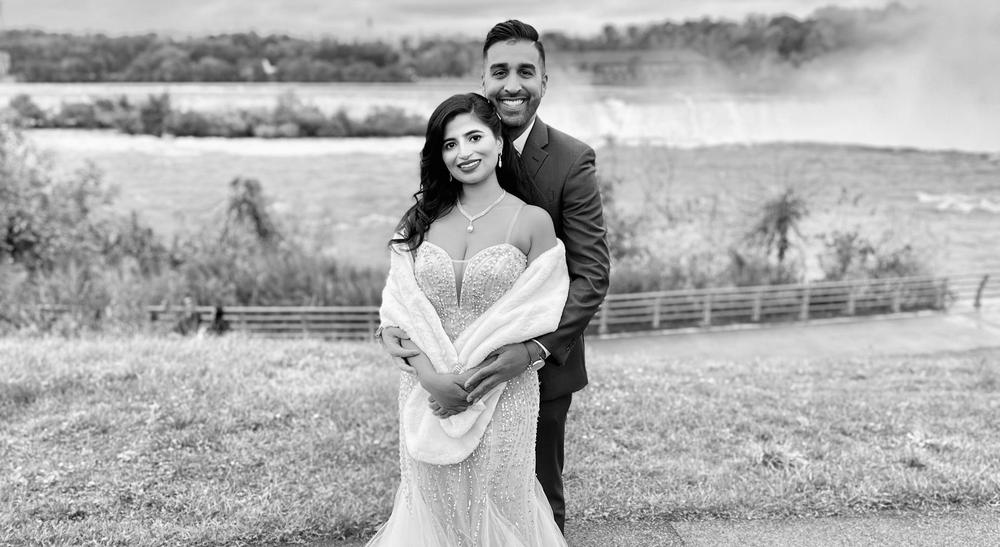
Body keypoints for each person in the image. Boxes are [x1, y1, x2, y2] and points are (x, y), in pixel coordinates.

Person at [379, 20, 611, 532]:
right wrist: (416, 355)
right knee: (444, 507)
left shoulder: (571, 160)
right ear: (483, 79)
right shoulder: (454, 165)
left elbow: (591, 275)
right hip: (441, 374)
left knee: (534, 503)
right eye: (499, 72)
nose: (512, 85)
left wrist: (532, 350)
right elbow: (410, 284)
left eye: (526, 72)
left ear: (543, 80)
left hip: (540, 367)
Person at [369, 92, 569, 546]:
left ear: (499, 143)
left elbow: (543, 308)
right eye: (449, 144)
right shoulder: (419, 221)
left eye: (474, 137)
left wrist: (481, 376)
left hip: (504, 392)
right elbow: (401, 311)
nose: (464, 152)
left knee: (499, 501)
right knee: (433, 504)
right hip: (425, 390)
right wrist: (430, 377)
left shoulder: (533, 221)